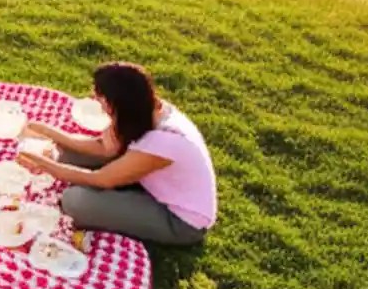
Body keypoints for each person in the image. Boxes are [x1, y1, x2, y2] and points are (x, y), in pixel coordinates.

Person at [16, 62, 217, 246]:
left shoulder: (165, 140)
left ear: (116, 103)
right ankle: (115, 198)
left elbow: (102, 180)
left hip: (179, 220)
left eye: (99, 96)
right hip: (150, 180)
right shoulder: (142, 108)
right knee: (63, 154)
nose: (95, 100)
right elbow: (105, 148)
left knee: (74, 202)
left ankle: (114, 201)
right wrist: (49, 132)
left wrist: (46, 166)